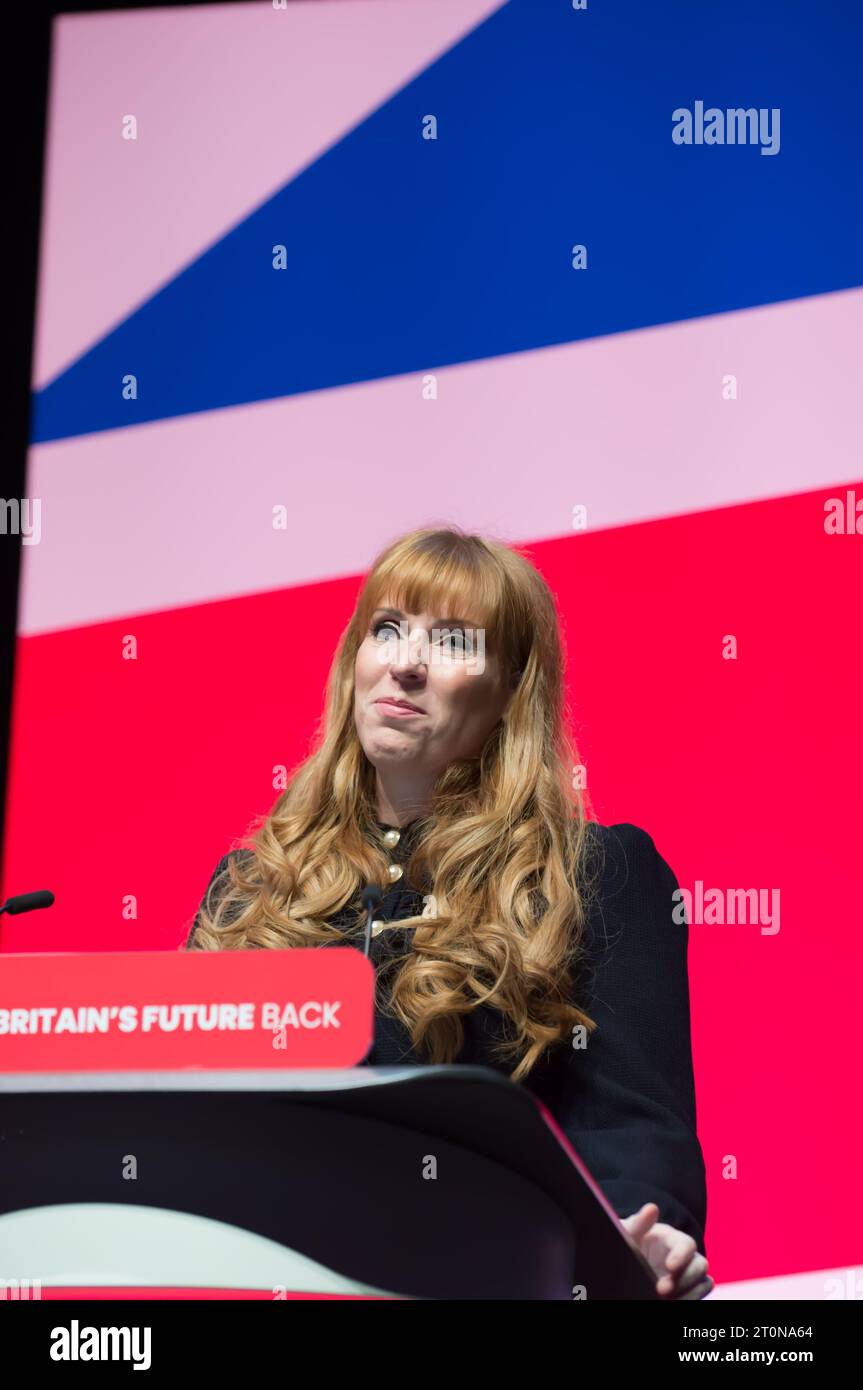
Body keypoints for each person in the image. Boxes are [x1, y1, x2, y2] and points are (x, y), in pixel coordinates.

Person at [185, 525, 712, 1300]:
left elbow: (630, 1128)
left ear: (507, 694)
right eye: (386, 629)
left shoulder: (593, 873)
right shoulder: (247, 890)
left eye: (454, 641)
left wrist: (644, 1233)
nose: (404, 662)